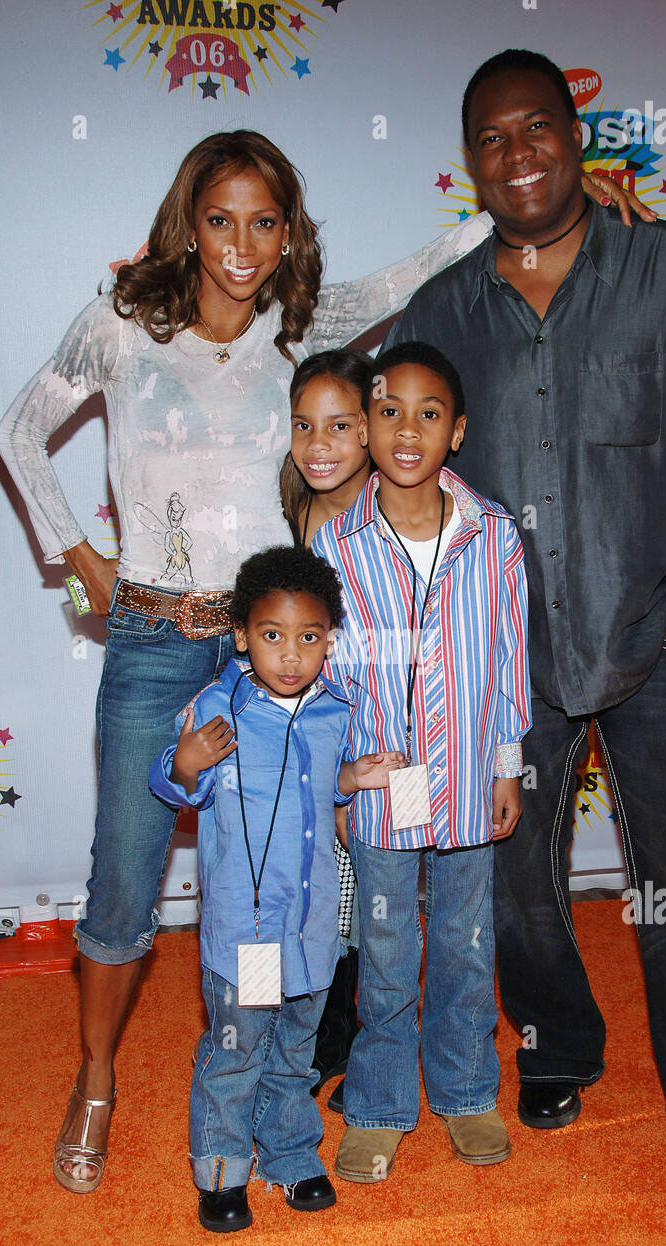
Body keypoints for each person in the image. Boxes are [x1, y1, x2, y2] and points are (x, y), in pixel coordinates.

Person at [0, 124, 649, 1195]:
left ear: (287, 230)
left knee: (308, 879)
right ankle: (97, 1078)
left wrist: (549, 195)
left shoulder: (307, 325)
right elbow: (23, 434)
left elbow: (419, 267)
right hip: (158, 642)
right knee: (123, 882)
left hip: (277, 658)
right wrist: (83, 566)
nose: (241, 243)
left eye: (263, 221)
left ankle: (309, 1075)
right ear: (186, 223)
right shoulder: (121, 323)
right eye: (219, 219)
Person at [384, 50, 666, 1190]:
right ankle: (557, 1045)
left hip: (662, 640)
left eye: (536, 128)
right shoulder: (442, 310)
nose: (519, 155)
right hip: (503, 654)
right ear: (471, 163)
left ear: (573, 134)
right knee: (512, 880)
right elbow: (408, 467)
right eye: (493, 140)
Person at [313, 342, 531, 1182]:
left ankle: (470, 1091)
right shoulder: (338, 546)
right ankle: (375, 1103)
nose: (408, 430)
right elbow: (323, 678)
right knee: (386, 950)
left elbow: (509, 656)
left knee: (467, 946)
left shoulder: (494, 535)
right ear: (365, 426)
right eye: (389, 411)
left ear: (458, 430)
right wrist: (336, 779)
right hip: (379, 791)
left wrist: (507, 764)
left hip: (470, 778)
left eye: (429, 413)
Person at [148, 546, 405, 1231]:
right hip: (250, 933)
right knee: (239, 1048)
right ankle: (224, 1172)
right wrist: (183, 762)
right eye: (271, 636)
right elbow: (174, 782)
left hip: (312, 926)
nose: (290, 656)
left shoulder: (333, 710)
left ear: (328, 641)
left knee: (296, 1048)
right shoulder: (217, 706)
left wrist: (353, 778)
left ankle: (291, 1154)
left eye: (309, 638)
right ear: (240, 636)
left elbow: (322, 789)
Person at [280, 349, 374, 1106]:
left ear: (373, 429)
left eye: (339, 426)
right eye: (304, 426)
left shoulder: (396, 509)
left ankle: (384, 1050)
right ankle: (329, 1039)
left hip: (394, 739)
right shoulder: (299, 513)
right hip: (326, 735)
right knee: (332, 903)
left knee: (395, 907)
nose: (320, 444)